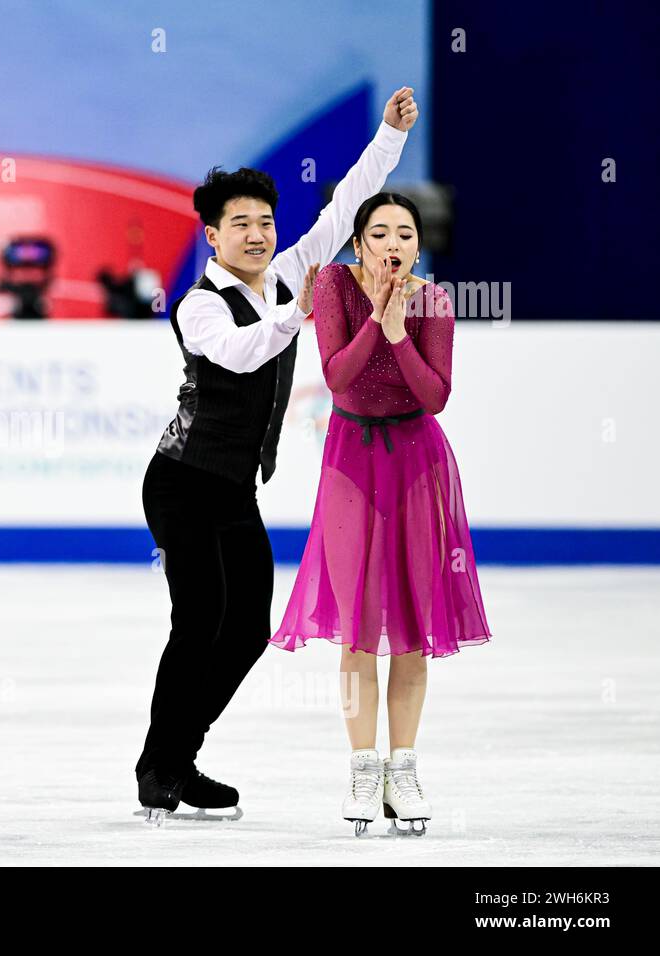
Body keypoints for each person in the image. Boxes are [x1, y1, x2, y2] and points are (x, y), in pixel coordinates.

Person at [135, 87, 419, 824]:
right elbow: (238, 352)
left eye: (265, 222)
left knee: (249, 629)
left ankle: (181, 752)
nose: (258, 235)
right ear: (212, 237)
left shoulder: (291, 270)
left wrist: (388, 137)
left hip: (233, 489)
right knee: (198, 622)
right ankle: (160, 766)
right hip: (180, 483)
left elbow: (345, 208)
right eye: (241, 225)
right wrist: (298, 311)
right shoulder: (198, 305)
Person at [268, 192, 493, 836]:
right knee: (358, 625)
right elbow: (338, 377)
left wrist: (400, 330)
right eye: (379, 232)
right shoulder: (336, 285)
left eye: (404, 233)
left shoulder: (433, 302)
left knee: (416, 622)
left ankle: (405, 763)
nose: (393, 243)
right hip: (350, 462)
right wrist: (377, 323)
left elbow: (436, 396)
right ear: (359, 243)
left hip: (417, 463)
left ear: (417, 245)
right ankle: (364, 767)